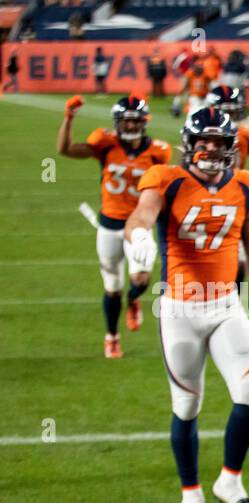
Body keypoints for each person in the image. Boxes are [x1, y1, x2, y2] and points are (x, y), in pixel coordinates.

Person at [122, 107, 249, 503]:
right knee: (187, 405)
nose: (210, 150)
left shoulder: (247, 185)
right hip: (179, 306)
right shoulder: (166, 178)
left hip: (227, 304)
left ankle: (231, 480)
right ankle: (190, 493)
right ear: (189, 145)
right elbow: (141, 213)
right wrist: (139, 235)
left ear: (232, 149)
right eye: (203, 142)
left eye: (219, 143)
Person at [57, 95, 172, 358]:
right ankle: (112, 337)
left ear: (144, 122)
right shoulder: (105, 143)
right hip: (109, 224)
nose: (129, 127)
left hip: (139, 225)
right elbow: (65, 150)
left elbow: (172, 181)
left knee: (141, 281)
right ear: (117, 122)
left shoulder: (158, 151)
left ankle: (133, 299)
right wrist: (68, 118)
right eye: (125, 121)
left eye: (134, 121)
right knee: (112, 287)